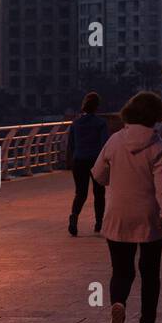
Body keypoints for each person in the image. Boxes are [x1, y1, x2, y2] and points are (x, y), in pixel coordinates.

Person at [91, 91, 162, 323]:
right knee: (150, 272)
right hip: (149, 216)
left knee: (121, 270)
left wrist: (114, 179)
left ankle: (118, 304)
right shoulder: (160, 146)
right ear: (156, 116)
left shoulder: (115, 140)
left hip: (117, 215)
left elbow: (98, 173)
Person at [66, 91, 109, 236]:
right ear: (97, 107)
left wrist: (70, 160)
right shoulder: (101, 123)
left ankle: (74, 217)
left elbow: (71, 145)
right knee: (99, 193)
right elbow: (105, 144)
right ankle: (98, 223)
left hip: (79, 161)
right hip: (95, 161)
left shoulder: (76, 123)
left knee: (80, 193)